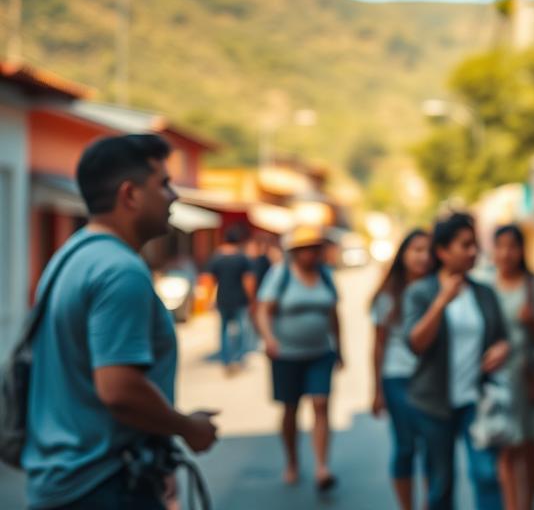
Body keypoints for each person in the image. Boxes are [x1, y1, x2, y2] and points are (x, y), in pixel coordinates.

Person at [22, 134, 218, 509]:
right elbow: (120, 390)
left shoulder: (72, 256)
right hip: (102, 486)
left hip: (64, 480)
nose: (173, 196)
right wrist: (189, 428)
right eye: (163, 184)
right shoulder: (120, 271)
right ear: (130, 194)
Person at [403, 214, 510, 510]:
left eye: (474, 245)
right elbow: (415, 343)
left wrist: (502, 349)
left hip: (476, 401)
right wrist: (440, 303)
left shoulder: (484, 292)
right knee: (440, 485)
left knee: (487, 475)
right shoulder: (421, 292)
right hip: (434, 405)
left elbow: (501, 336)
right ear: (442, 252)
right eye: (465, 245)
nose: (473, 252)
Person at [254, 224, 342, 492]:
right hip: (287, 355)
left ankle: (321, 466)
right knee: (290, 408)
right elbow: (262, 311)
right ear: (296, 252)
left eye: (316, 249)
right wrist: (269, 338)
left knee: (320, 403)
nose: (312, 255)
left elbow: (333, 314)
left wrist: (340, 348)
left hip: (320, 353)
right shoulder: (281, 274)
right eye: (307, 250)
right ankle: (292, 461)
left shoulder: (325, 275)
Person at [490, 224, 534, 510]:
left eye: (513, 246)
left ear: (522, 250)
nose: (507, 253)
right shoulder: (485, 286)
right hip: (499, 380)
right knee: (507, 450)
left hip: (530, 378)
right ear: (493, 250)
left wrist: (532, 321)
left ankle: (528, 504)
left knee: (530, 448)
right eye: (501, 246)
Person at [371, 228, 435, 510]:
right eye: (417, 250)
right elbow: (378, 345)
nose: (423, 257)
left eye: (428, 250)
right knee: (406, 446)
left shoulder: (439, 290)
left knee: (433, 447)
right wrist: (376, 390)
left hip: (432, 377)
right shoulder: (388, 295)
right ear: (403, 255)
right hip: (398, 376)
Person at [206, 223, 254, 374]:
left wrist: (209, 299)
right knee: (241, 330)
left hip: (223, 298)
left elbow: (210, 280)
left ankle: (226, 360)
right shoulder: (241, 257)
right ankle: (238, 359)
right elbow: (249, 281)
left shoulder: (217, 257)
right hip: (239, 299)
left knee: (224, 331)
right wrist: (252, 299)